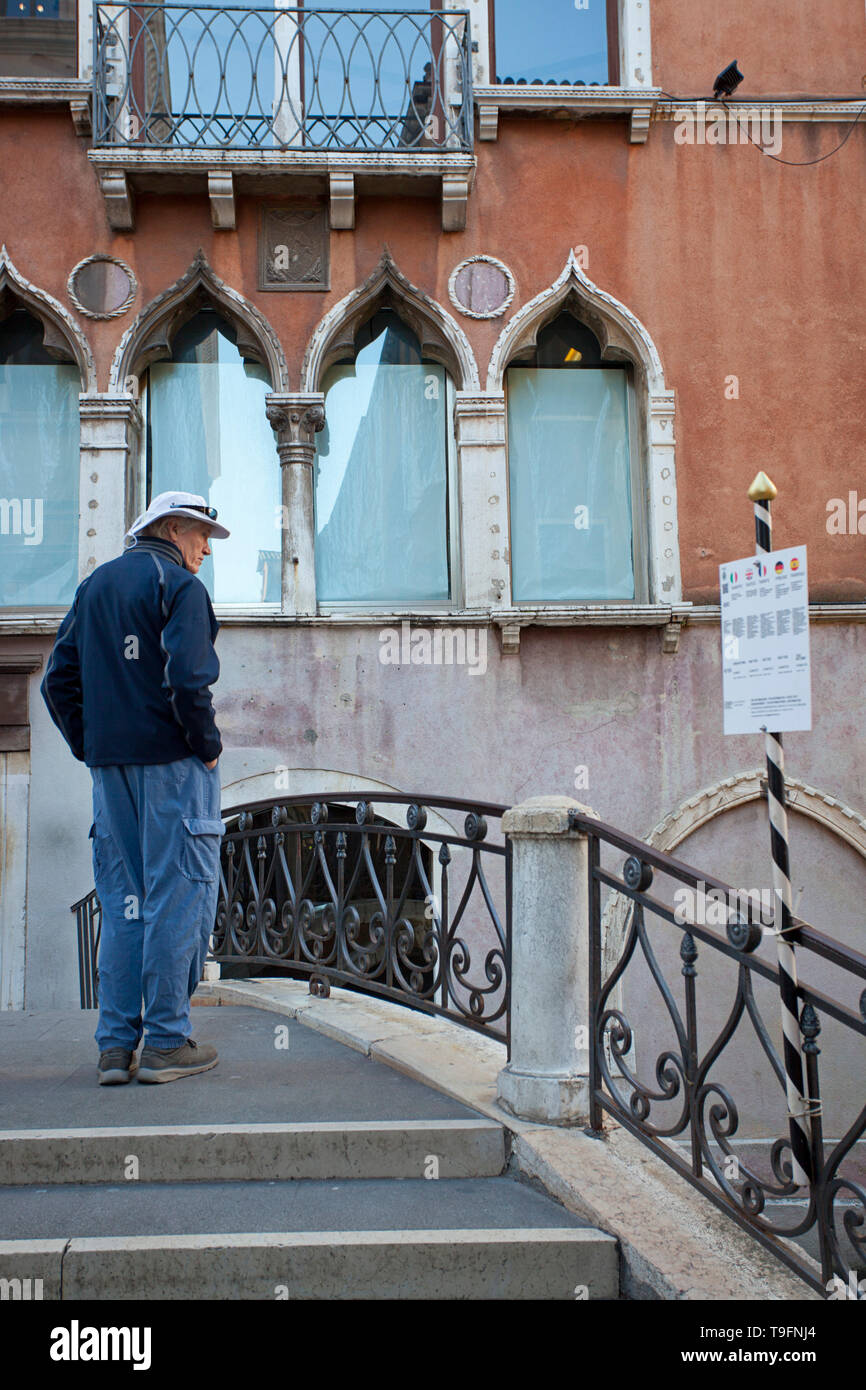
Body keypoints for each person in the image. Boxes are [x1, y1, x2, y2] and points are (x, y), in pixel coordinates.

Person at [41, 491, 230, 1086]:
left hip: (111, 772)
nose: (205, 547)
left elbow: (57, 682)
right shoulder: (180, 588)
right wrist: (206, 744)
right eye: (200, 534)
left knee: (124, 904)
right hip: (172, 768)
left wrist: (92, 746)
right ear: (172, 529)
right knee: (177, 898)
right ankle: (168, 1044)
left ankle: (116, 1048)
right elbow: (187, 677)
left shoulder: (95, 587)